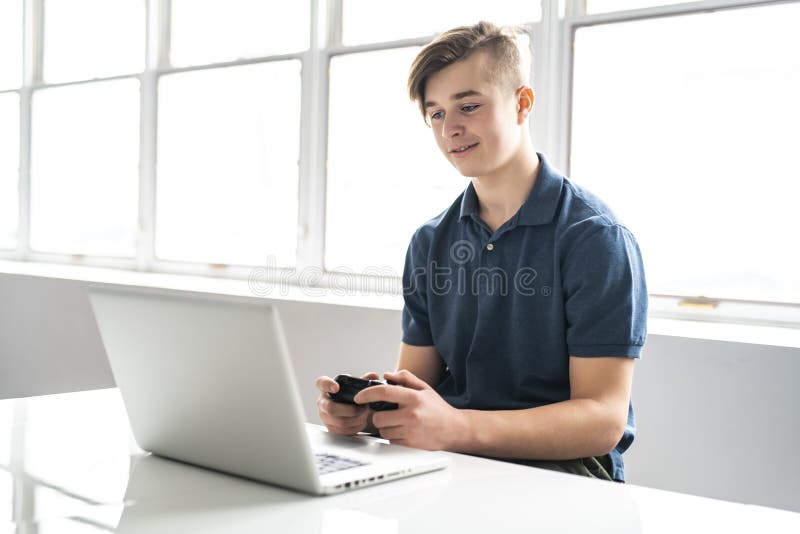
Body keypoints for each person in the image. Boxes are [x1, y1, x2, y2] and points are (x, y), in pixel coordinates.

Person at [315, 21, 647, 482]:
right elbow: (418, 389)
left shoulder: (595, 237)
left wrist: (455, 426)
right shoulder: (430, 242)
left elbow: (602, 419)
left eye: (468, 106)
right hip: (454, 460)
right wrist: (367, 414)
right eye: (435, 114)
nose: (450, 128)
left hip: (564, 475)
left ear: (522, 104)